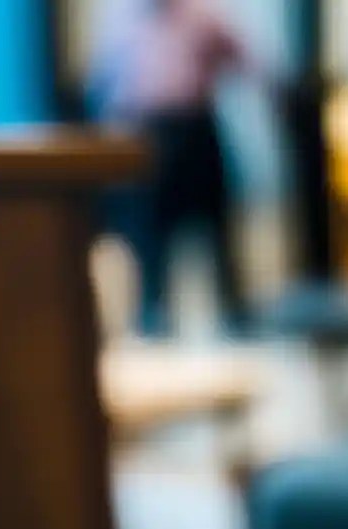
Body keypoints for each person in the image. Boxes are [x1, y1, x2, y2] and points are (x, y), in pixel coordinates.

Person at [88, 0, 252, 336]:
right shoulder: (122, 18)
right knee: (150, 236)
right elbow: (104, 82)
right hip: (148, 135)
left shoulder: (201, 13)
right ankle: (154, 317)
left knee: (215, 230)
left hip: (195, 129)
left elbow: (241, 59)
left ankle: (234, 317)